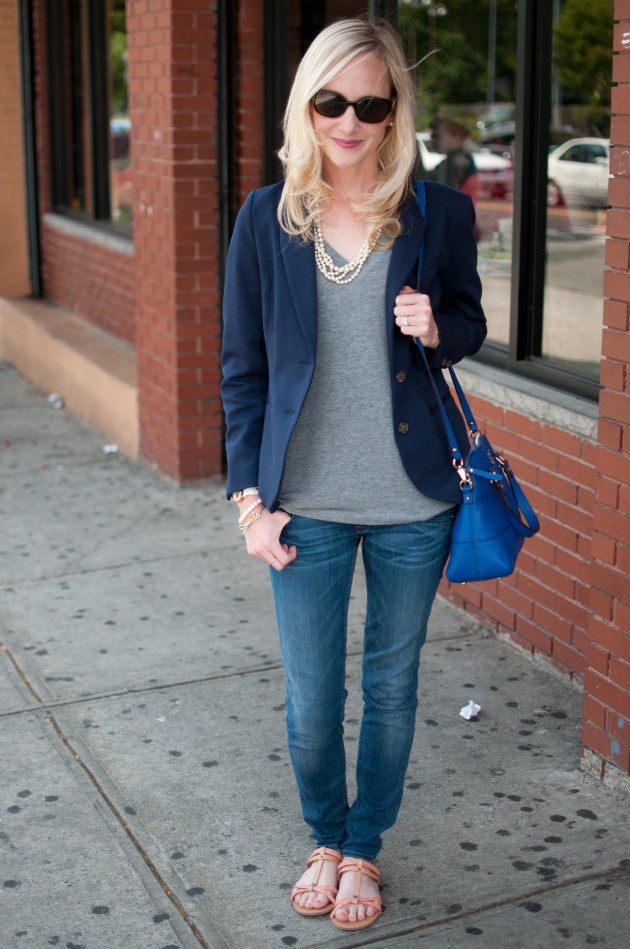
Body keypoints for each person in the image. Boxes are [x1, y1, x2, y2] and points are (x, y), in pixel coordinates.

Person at [221, 16, 486, 933]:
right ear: (308, 103)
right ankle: (323, 836)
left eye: (370, 104)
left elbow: (469, 323)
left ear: (392, 111)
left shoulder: (438, 211)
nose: (350, 120)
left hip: (413, 498)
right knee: (310, 696)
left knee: (393, 684)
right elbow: (242, 369)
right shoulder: (267, 217)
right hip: (304, 503)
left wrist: (435, 327)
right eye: (332, 100)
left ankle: (364, 844)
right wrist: (250, 500)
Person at [429, 115, 479, 204]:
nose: (435, 141)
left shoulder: (459, 161)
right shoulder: (451, 161)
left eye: (439, 136)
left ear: (456, 137)